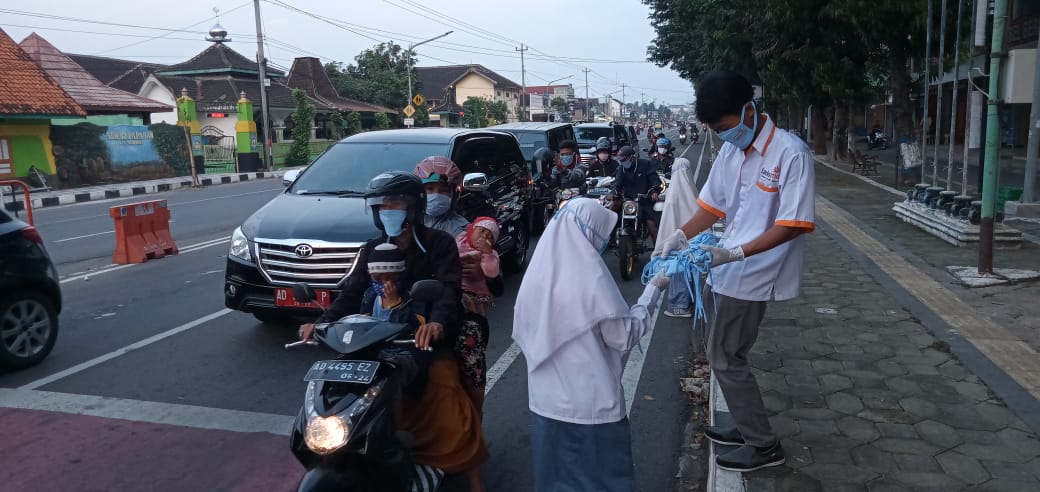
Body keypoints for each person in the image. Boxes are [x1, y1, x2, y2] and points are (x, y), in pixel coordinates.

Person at [656, 70, 815, 473]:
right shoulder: (731, 151)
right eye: (716, 130)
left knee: (725, 356)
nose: (724, 135)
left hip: (755, 271)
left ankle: (763, 445)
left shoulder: (790, 153)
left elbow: (793, 223)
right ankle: (746, 427)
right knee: (725, 352)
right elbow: (713, 207)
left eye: (726, 127)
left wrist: (736, 253)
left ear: (749, 109)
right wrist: (680, 234)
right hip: (724, 267)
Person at [298, 171, 487, 490]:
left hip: (423, 336)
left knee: (444, 381)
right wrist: (321, 322)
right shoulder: (372, 247)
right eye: (382, 206)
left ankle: (471, 472)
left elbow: (448, 290)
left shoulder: (438, 243)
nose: (387, 211)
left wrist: (437, 323)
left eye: (394, 204)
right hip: (378, 337)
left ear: (413, 206)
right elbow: (352, 291)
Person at [512, 198, 671, 492]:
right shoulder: (590, 279)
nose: (605, 242)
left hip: (546, 404)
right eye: (603, 234)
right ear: (588, 233)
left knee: (556, 483)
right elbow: (623, 335)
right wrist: (652, 291)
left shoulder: (537, 276)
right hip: (591, 408)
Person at [413, 156, 501, 422]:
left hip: (457, 310)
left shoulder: (469, 233)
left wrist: (482, 273)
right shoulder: (407, 227)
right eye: (429, 189)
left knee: (469, 349)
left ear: (454, 193)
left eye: (442, 190)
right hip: (413, 306)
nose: (435, 195)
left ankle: (474, 421)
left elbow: (496, 282)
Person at [653, 155, 698, 318]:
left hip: (676, 245)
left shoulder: (672, 195)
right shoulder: (692, 191)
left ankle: (680, 307)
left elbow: (668, 222)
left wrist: (662, 244)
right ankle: (689, 304)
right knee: (690, 274)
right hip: (691, 242)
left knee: (678, 274)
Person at [611, 145, 663, 245]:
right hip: (629, 201)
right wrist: (614, 193)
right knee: (614, 216)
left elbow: (655, 180)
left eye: (623, 160)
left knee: (653, 227)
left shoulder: (646, 164)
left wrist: (655, 191)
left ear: (631, 157)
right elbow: (617, 184)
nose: (622, 162)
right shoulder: (622, 169)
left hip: (645, 200)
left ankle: (658, 251)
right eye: (620, 160)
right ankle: (611, 240)